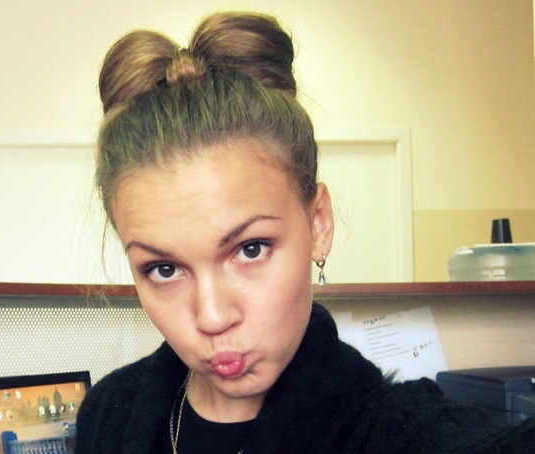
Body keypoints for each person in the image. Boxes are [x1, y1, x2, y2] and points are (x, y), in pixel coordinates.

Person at [75, 11, 535, 453]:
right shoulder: (107, 412)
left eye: (250, 249)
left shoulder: (384, 427)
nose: (212, 318)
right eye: (163, 269)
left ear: (319, 224)